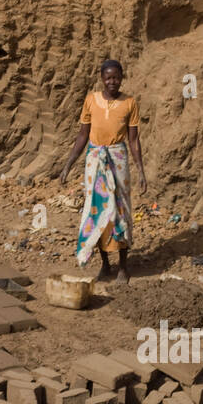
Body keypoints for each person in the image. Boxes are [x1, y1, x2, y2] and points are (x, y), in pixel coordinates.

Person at [59, 59, 147, 283]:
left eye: (116, 77)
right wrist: (68, 164)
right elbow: (82, 136)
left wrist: (141, 170)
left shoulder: (129, 103)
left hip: (118, 160)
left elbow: (134, 141)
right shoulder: (91, 100)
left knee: (120, 211)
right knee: (98, 212)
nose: (112, 82)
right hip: (95, 161)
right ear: (101, 78)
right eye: (108, 77)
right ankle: (105, 265)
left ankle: (123, 267)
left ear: (122, 78)